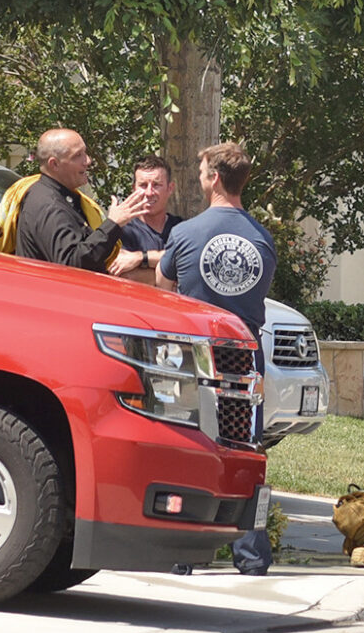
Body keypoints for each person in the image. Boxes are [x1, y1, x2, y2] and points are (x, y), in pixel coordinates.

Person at [159, 140, 277, 574]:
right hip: (245, 356)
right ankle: (252, 555)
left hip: (195, 354)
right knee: (247, 450)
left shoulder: (185, 234)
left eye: (203, 170)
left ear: (213, 179)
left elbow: (163, 286)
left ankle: (182, 552)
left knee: (189, 446)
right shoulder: (262, 238)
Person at [14, 128, 143, 272]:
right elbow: (72, 264)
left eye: (85, 153)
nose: (88, 161)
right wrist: (113, 224)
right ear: (54, 164)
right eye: (77, 155)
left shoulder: (61, 197)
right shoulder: (49, 206)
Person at [108, 153, 183, 280]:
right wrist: (171, 277)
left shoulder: (182, 229)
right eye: (143, 185)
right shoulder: (123, 232)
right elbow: (125, 276)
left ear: (170, 188)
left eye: (156, 185)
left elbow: (190, 263)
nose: (149, 193)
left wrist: (140, 258)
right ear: (134, 189)